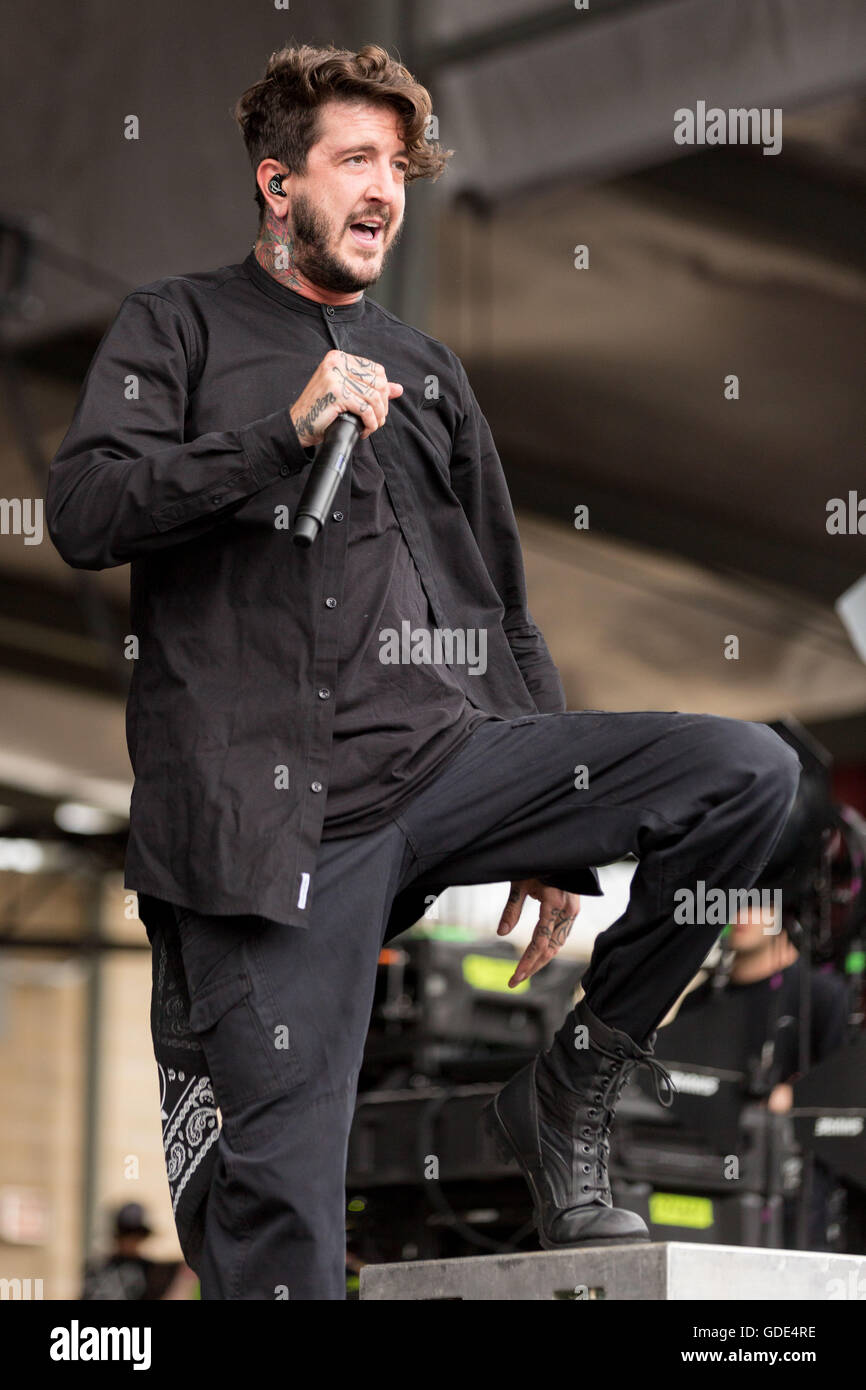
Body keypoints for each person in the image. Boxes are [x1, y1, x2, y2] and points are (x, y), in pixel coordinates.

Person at [46, 42, 801, 1299]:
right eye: (354, 160)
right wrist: (277, 435)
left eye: (397, 166)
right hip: (274, 824)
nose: (384, 188)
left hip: (448, 765)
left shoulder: (429, 370)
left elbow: (499, 607)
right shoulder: (172, 324)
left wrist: (552, 829)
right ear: (277, 181)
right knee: (278, 1229)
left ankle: (569, 1087)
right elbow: (82, 508)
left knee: (748, 773)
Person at [677, 905, 849, 1248]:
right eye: (734, 900)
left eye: (757, 902)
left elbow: (842, 1098)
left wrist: (793, 1097)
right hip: (703, 1183)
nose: (740, 913)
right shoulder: (701, 1001)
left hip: (793, 1199)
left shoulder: (822, 995)